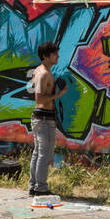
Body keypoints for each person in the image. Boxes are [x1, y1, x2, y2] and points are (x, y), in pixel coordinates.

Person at [28, 42, 66, 198]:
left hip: (39, 118)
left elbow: (31, 85)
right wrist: (59, 94)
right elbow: (39, 98)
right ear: (45, 56)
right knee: (44, 154)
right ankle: (41, 188)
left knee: (38, 153)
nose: (57, 56)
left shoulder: (38, 70)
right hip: (44, 118)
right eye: (54, 54)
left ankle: (33, 186)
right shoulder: (44, 73)